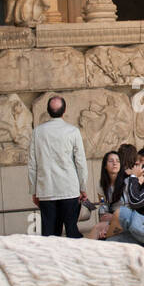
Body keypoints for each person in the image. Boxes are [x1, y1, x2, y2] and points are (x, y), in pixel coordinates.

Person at [27, 95, 88, 238]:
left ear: (48, 111)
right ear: (64, 110)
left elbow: (32, 163)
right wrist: (83, 187)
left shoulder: (37, 132)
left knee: (49, 234)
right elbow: (80, 162)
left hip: (46, 189)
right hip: (69, 189)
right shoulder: (73, 131)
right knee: (72, 230)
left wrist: (33, 190)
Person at [84, 150, 124, 239]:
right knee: (98, 227)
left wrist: (113, 217)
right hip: (111, 217)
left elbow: (130, 207)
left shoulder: (127, 182)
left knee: (98, 228)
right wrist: (103, 215)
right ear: (105, 166)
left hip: (124, 218)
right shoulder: (101, 184)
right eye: (111, 161)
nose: (115, 163)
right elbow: (102, 203)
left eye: (118, 161)